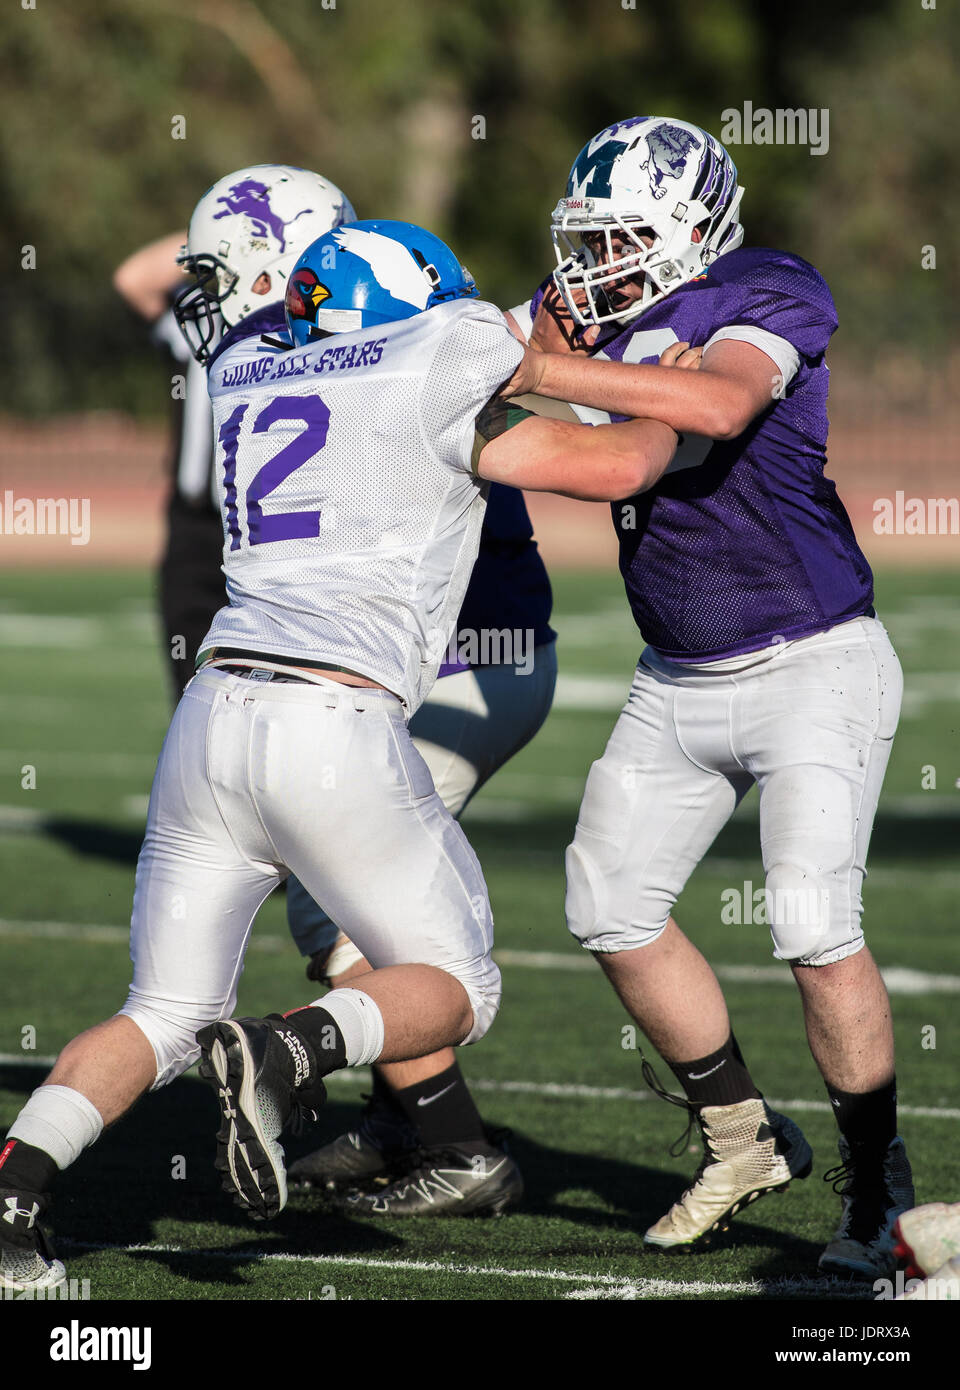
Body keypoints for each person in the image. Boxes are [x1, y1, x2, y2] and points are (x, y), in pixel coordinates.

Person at [0, 218, 683, 1290]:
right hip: (333, 721)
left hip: (212, 716)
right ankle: (288, 1051)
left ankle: (16, 1196)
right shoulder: (440, 344)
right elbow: (598, 421)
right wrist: (685, 394)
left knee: (164, 1010)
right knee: (459, 982)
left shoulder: (245, 366)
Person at [510, 115, 913, 1277]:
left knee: (809, 922)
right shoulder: (592, 310)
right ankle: (741, 1139)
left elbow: (723, 404)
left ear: (692, 228)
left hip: (811, 662)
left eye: (622, 237)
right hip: (676, 672)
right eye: (585, 241)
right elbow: (547, 390)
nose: (595, 265)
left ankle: (877, 1192)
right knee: (608, 901)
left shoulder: (769, 284)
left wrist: (540, 372)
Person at [176, 173, 560, 1217]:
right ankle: (410, 1114)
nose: (209, 296)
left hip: (465, 659)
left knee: (353, 897)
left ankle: (451, 1140)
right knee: (341, 895)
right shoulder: (306, 349)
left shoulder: (389, 350)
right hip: (394, 669)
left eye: (225, 271)